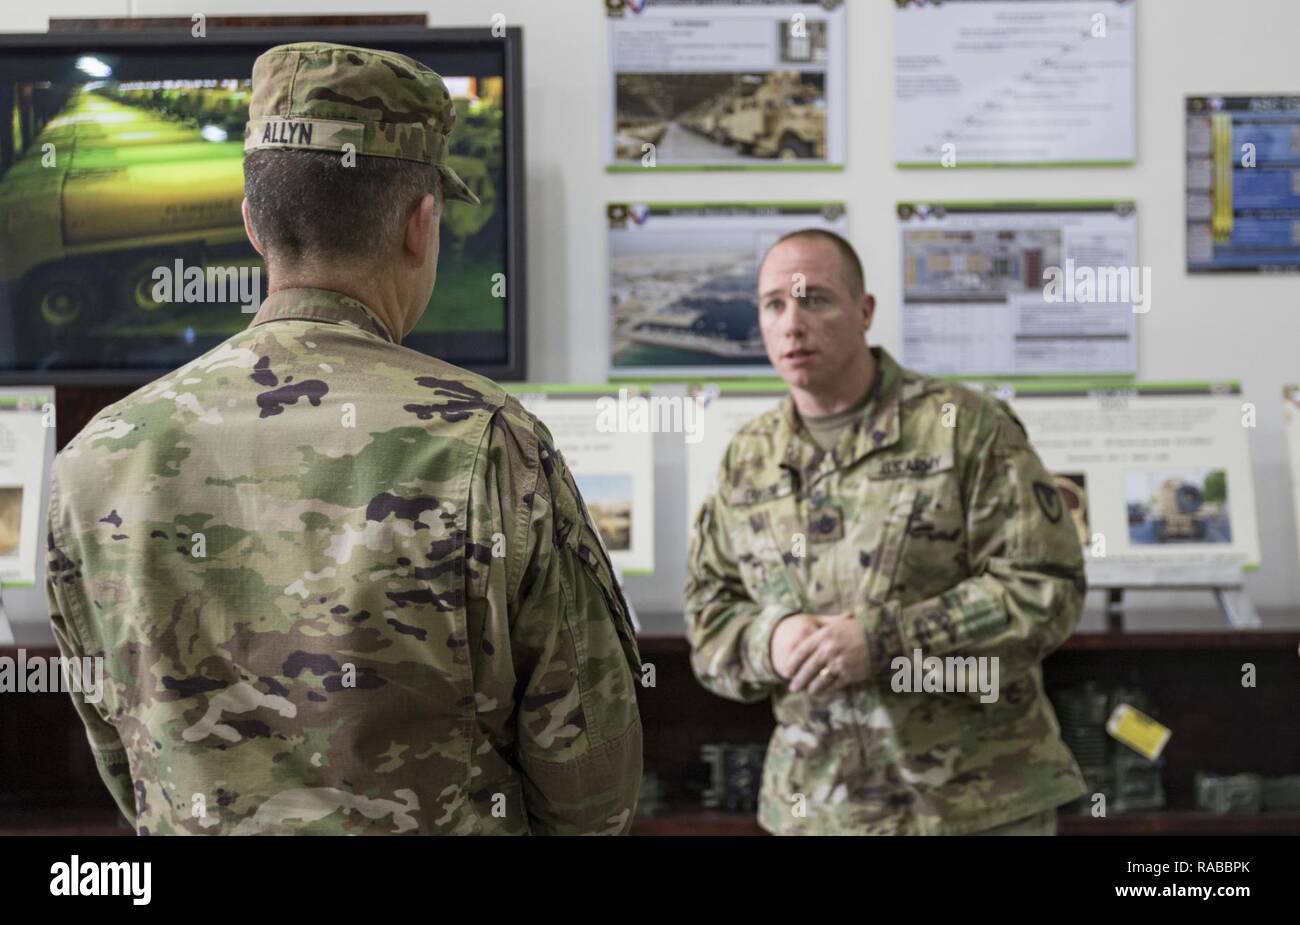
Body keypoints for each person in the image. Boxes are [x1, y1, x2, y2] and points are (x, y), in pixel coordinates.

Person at [45, 42, 641, 835]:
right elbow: (593, 786)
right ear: (421, 225)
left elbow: (123, 758)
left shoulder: (94, 460)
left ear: (253, 224)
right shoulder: (493, 446)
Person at [685, 229, 1087, 835]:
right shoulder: (748, 458)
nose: (792, 324)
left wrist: (886, 639)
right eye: (774, 305)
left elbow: (1044, 590)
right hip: (815, 808)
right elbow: (709, 613)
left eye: (815, 299)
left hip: (974, 805)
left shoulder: (964, 428)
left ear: (864, 310)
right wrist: (772, 640)